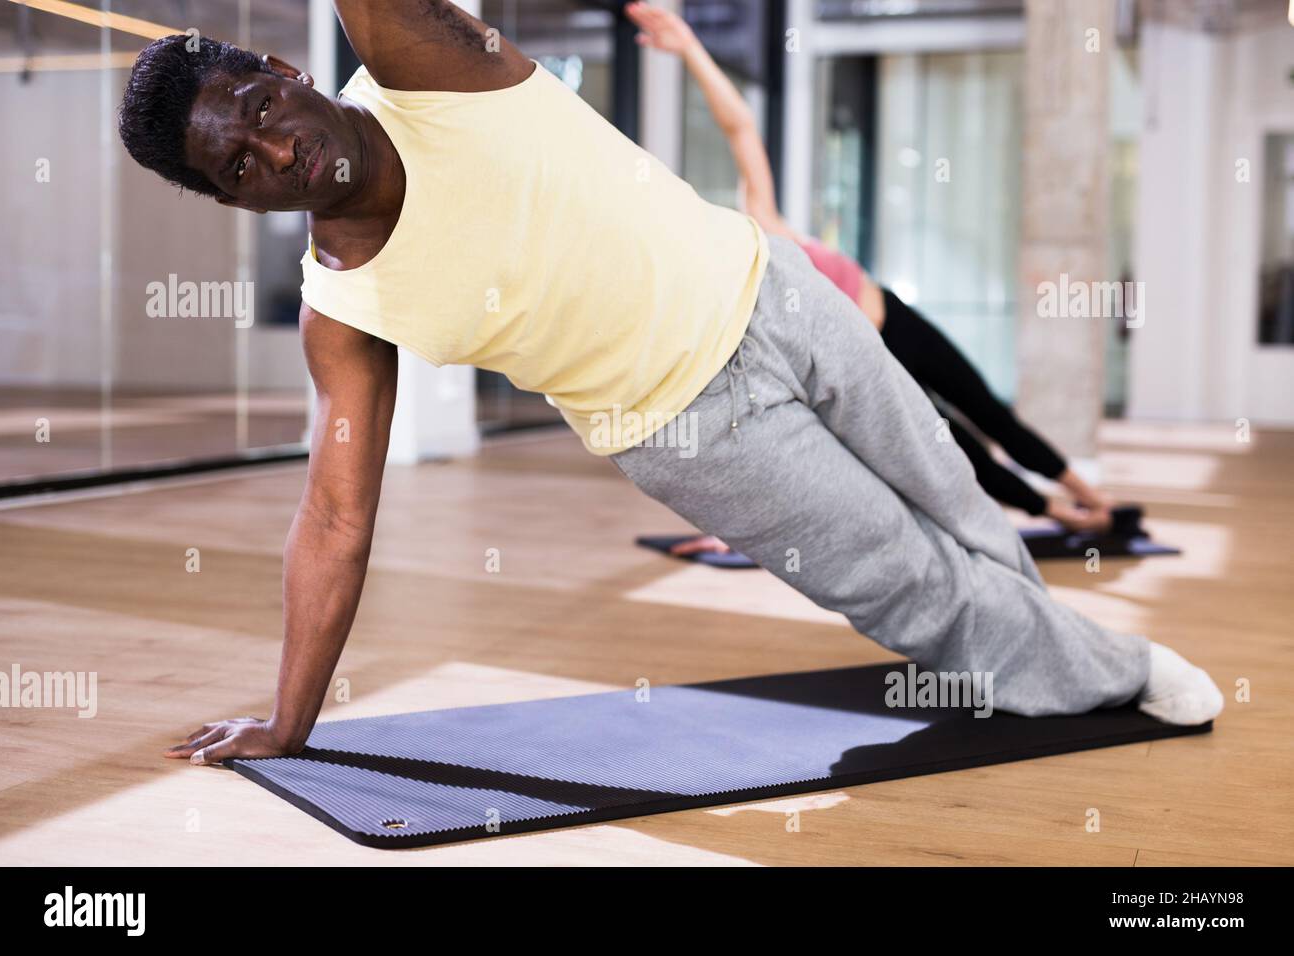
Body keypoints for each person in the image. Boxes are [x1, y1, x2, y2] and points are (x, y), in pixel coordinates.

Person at [115, 2, 1220, 766]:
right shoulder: (343, 305)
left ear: (285, 71)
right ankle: (1117, 670)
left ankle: (1042, 647)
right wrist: (287, 717)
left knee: (951, 490)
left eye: (258, 113)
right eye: (237, 167)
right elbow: (333, 515)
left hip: (769, 283)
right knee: (906, 583)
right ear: (232, 203)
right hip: (687, 427)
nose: (273, 154)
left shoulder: (423, 62)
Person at [625, 1, 1115, 554]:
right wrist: (729, 533)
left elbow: (739, 127)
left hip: (896, 320)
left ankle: (1088, 496)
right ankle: (1057, 513)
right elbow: (760, 432)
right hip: (868, 365)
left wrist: (689, 47)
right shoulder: (736, 293)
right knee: (956, 452)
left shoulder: (764, 224)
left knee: (989, 412)